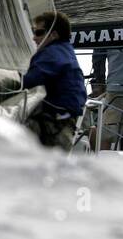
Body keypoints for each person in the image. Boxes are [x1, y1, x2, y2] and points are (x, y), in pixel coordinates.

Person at [21, 10, 86, 150]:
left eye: (38, 33)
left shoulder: (52, 53)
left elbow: (30, 81)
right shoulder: (65, 50)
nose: (33, 38)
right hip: (66, 122)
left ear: (54, 35)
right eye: (33, 32)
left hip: (54, 124)